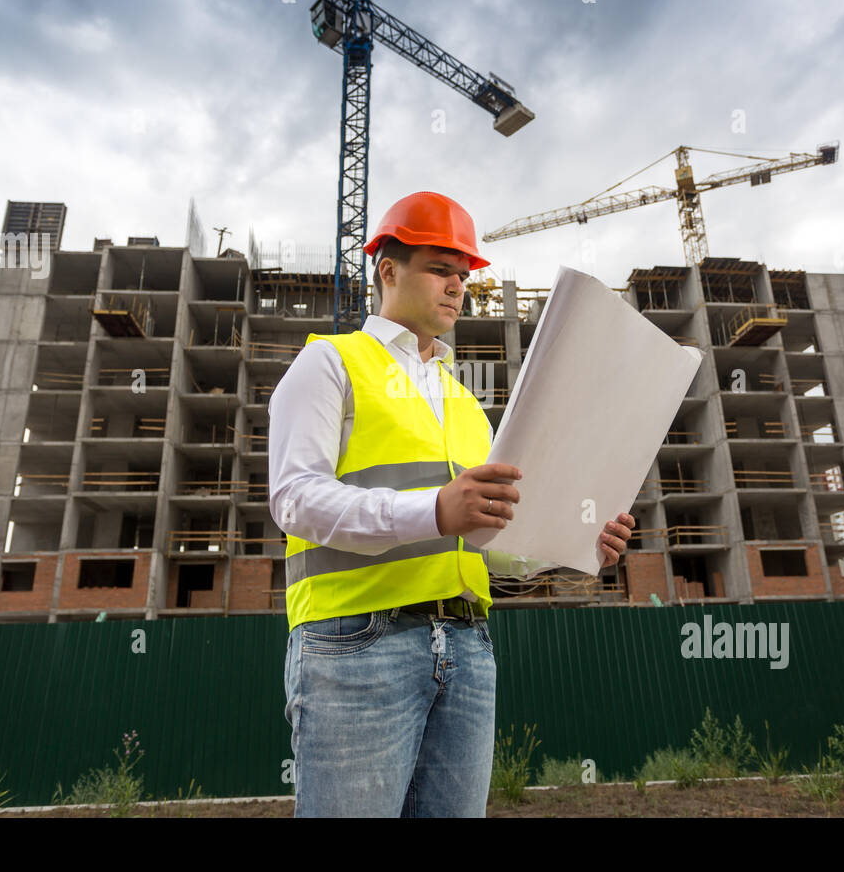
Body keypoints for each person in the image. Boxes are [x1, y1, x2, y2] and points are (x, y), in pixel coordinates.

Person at [268, 190, 634, 817]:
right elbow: (295, 498)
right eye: (441, 269)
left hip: (467, 646)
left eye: (463, 276)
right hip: (358, 640)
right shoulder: (329, 362)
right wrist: (434, 510)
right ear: (389, 269)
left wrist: (573, 545)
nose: (457, 287)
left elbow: (485, 547)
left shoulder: (466, 405)